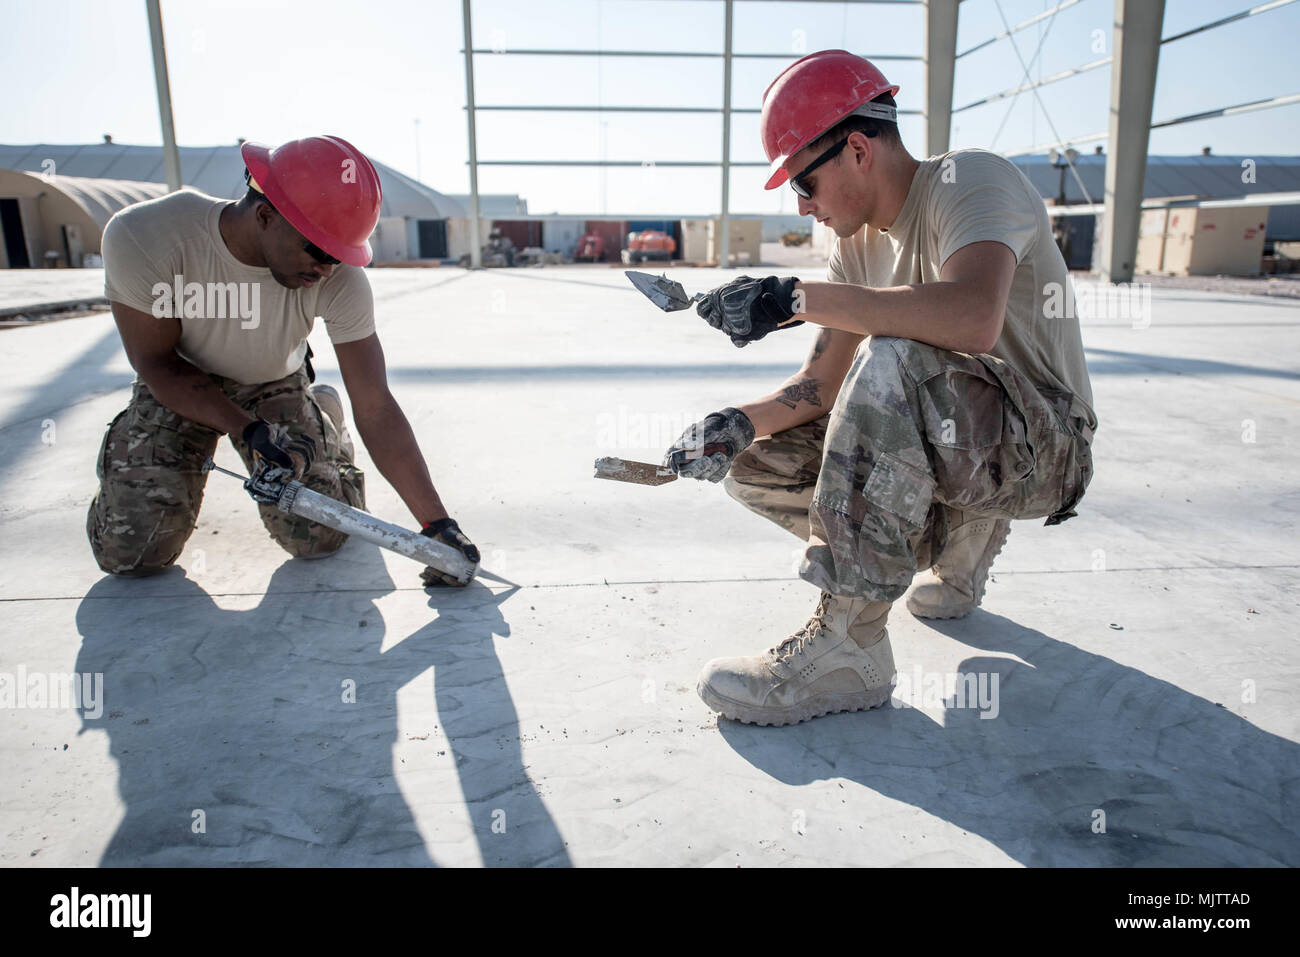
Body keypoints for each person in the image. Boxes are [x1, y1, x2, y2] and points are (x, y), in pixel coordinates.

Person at [662, 51, 1098, 726]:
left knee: (894, 356)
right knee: (754, 462)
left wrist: (798, 297)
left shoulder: (970, 181)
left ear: (858, 149)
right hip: (965, 439)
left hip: (1048, 446)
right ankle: (959, 533)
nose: (802, 205)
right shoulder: (856, 244)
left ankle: (850, 644)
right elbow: (818, 386)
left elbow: (971, 315)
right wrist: (736, 424)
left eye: (804, 183)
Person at [87, 135, 479, 586]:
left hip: (272, 380)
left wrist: (437, 526)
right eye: (319, 252)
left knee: (320, 540)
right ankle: (129, 473)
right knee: (133, 554)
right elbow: (155, 362)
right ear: (266, 214)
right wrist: (246, 428)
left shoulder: (338, 279)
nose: (327, 270)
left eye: (339, 257)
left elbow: (375, 404)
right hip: (180, 380)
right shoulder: (147, 235)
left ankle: (328, 434)